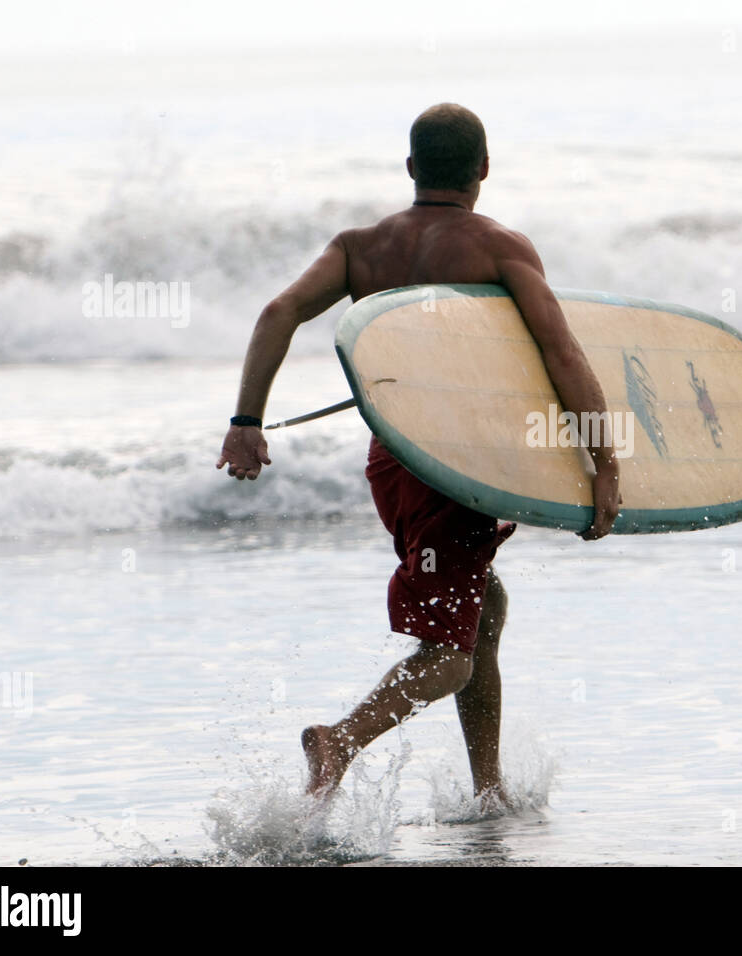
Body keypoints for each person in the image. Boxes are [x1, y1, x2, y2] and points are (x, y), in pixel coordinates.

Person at [215, 103, 622, 805]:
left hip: (395, 461)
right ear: (484, 170)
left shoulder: (357, 247)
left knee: (482, 606)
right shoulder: (501, 249)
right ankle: (339, 739)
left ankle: (487, 789)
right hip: (460, 468)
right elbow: (560, 353)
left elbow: (278, 312)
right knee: (452, 656)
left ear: (411, 168)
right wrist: (604, 462)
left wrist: (246, 420)